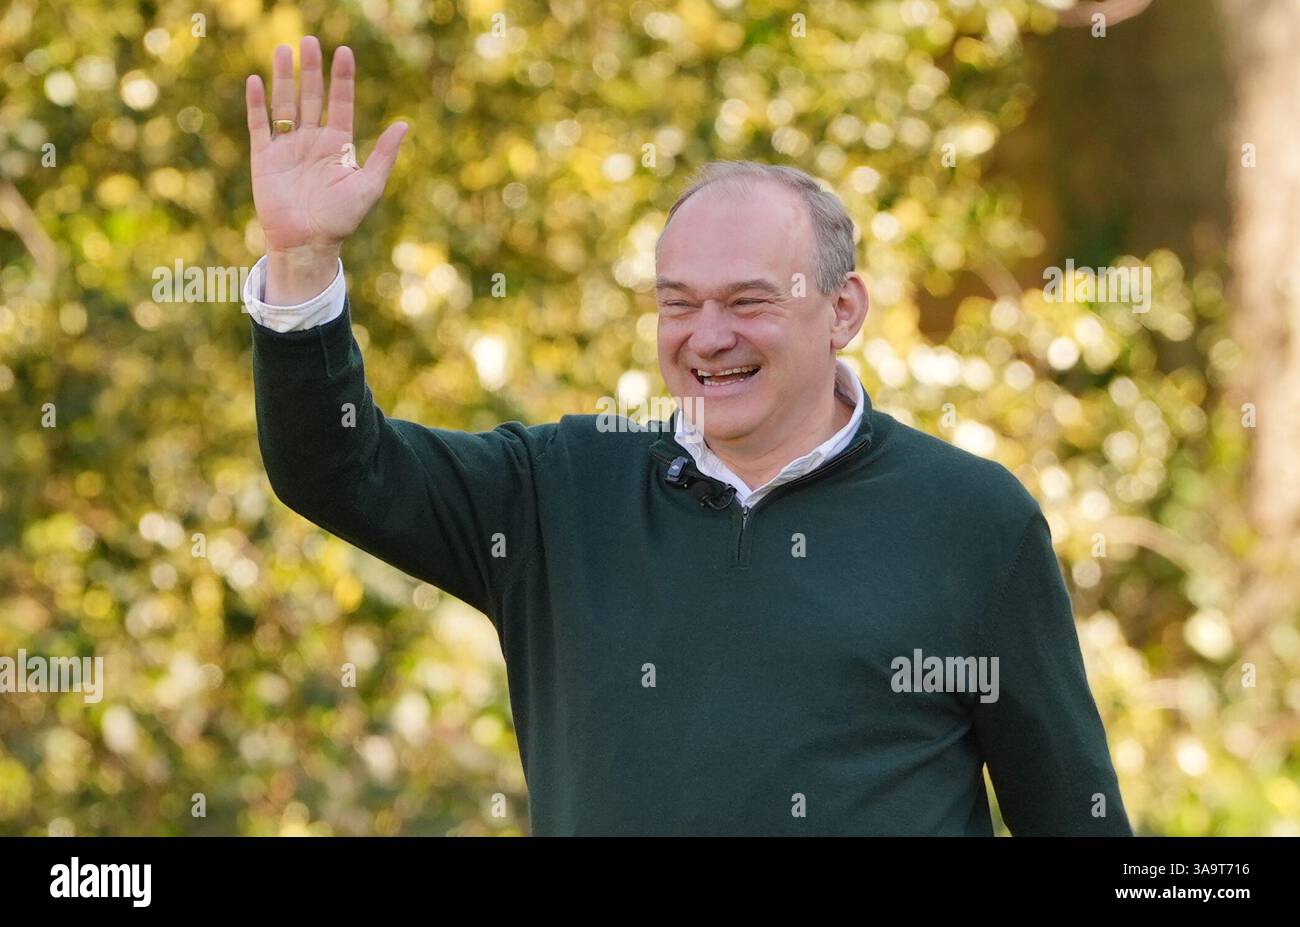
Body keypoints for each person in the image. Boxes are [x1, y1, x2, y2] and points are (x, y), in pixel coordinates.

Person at [243, 36, 1133, 836]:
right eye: (679, 304)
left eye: (749, 301)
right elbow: (337, 468)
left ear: (843, 310)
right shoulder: (556, 494)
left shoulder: (974, 521)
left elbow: (1075, 818)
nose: (708, 337)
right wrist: (303, 261)